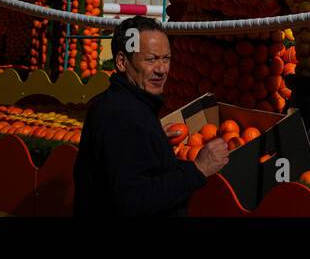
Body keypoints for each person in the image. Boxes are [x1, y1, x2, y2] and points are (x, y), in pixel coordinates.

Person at [75, 16, 228, 216]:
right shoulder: (123, 116)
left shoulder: (122, 105)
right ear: (122, 62)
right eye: (151, 59)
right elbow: (134, 199)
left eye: (166, 58)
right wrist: (198, 169)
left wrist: (153, 141)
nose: (162, 69)